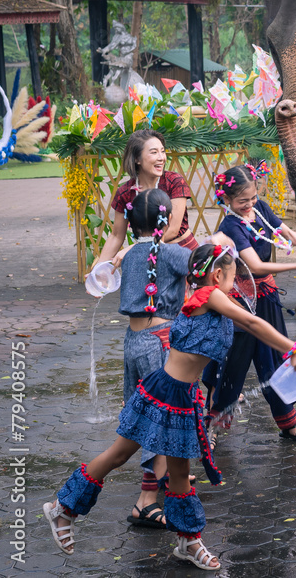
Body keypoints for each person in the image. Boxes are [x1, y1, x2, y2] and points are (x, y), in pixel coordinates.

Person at [44, 244, 296, 571]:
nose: (236, 284)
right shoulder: (209, 296)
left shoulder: (205, 296)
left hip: (183, 397)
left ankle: (188, 542)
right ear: (216, 276)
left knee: (181, 473)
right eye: (232, 277)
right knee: (119, 455)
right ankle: (63, 507)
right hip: (165, 394)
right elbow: (253, 324)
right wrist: (293, 348)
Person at [115, 189, 232, 529]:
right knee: (162, 424)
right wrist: (218, 241)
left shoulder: (133, 253)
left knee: (145, 418)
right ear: (170, 220)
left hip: (133, 341)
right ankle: (146, 501)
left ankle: (166, 481)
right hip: (157, 341)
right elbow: (205, 265)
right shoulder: (169, 254)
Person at [204, 163, 296, 446]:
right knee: (234, 367)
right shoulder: (231, 224)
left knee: (276, 364)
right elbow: (254, 265)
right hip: (242, 304)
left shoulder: (260, 209)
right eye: (242, 201)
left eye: (253, 197)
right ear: (227, 200)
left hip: (266, 299)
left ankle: (288, 423)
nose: (250, 204)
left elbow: (284, 230)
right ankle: (212, 425)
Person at [97, 130, 197, 268]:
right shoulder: (125, 193)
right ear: (137, 159)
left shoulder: (173, 181)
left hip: (182, 254)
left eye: (162, 151)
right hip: (148, 259)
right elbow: (116, 236)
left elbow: (172, 229)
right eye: (154, 152)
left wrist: (134, 248)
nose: (161, 157)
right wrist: (98, 270)